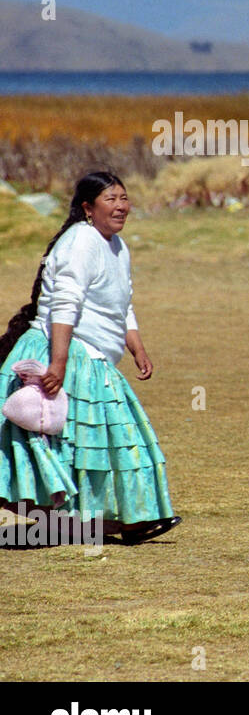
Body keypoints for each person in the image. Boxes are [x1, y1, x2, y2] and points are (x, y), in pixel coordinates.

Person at [0, 171, 179, 544]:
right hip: (63, 349)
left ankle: (109, 521)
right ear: (87, 208)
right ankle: (90, 522)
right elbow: (66, 304)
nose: (121, 206)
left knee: (101, 442)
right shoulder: (81, 240)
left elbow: (121, 302)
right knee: (59, 443)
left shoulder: (116, 245)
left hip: (94, 355)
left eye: (124, 198)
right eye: (110, 199)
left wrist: (136, 345)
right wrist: (58, 364)